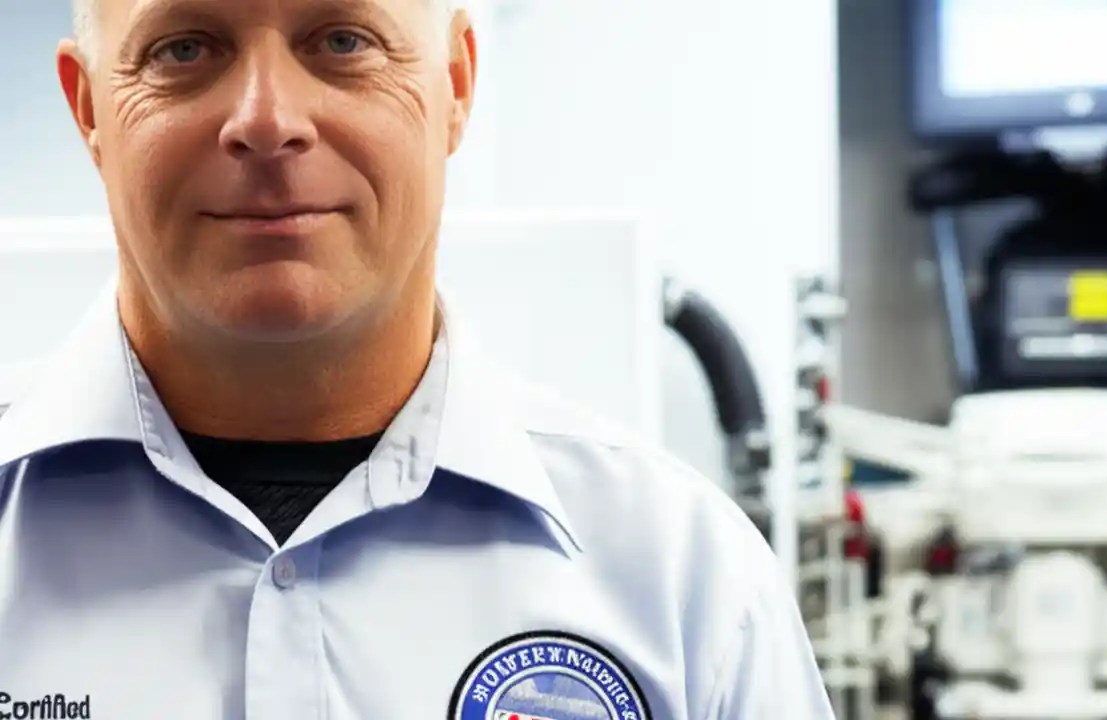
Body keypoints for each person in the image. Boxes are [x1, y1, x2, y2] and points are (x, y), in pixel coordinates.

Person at [0, 0, 836, 718]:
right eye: (184, 47)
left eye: (342, 40)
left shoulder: (685, 581)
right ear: (89, 110)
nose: (264, 119)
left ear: (457, 85)